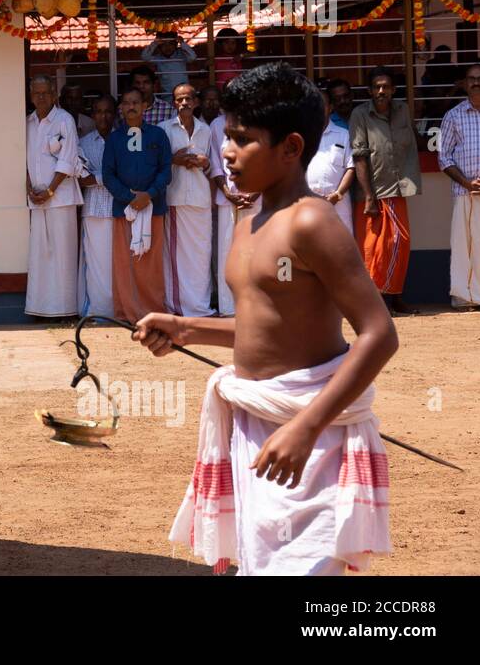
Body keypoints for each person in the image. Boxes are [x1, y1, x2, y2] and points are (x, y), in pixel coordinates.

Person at [134, 62, 396, 575]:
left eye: (242, 139)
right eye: (226, 136)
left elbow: (379, 333)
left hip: (310, 434)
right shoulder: (246, 221)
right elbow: (265, 331)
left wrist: (306, 426)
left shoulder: (312, 221)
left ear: (291, 148)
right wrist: (186, 328)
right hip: (252, 429)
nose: (227, 152)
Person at [351, 67, 421, 316]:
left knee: (399, 245)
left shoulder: (402, 110)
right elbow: (359, 156)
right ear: (370, 91)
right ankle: (377, 302)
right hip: (373, 193)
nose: (382, 91)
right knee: (374, 249)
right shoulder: (360, 114)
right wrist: (369, 196)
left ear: (393, 89)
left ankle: (395, 296)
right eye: (377, 87)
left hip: (398, 189)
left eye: (386, 87)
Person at [103, 89, 171, 322]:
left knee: (151, 263)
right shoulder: (114, 139)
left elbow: (166, 171)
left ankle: (154, 312)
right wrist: (129, 197)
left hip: (154, 207)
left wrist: (149, 195)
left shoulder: (158, 135)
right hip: (124, 209)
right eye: (126, 103)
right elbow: (107, 174)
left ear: (144, 107)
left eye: (135, 103)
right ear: (121, 108)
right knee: (125, 262)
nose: (130, 107)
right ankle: (126, 312)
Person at [25, 75, 82, 318]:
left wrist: (49, 191)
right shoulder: (27, 122)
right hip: (36, 198)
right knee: (40, 254)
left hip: (60, 198)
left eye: (45, 93)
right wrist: (30, 187)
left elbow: (68, 159)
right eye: (36, 93)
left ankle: (65, 309)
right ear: (31, 95)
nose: (40, 98)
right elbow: (24, 159)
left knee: (63, 254)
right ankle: (39, 308)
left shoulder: (64, 120)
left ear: (54, 94)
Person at [161, 83, 213, 317]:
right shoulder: (165, 129)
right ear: (174, 103)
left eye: (188, 99)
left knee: (201, 256)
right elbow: (158, 164)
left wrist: (205, 162)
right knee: (176, 257)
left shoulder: (206, 130)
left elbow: (214, 166)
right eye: (179, 99)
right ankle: (178, 306)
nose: (184, 103)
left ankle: (200, 307)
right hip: (176, 198)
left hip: (201, 199)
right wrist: (175, 160)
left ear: (196, 102)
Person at [437, 63, 480, 309]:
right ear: (465, 84)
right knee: (465, 247)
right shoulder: (453, 116)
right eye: (471, 79)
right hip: (465, 193)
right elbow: (444, 157)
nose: (476, 82)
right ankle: (466, 297)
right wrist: (468, 183)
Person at [209, 99, 261, 316]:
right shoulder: (216, 125)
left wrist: (256, 191)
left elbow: (264, 159)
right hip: (227, 198)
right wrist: (228, 193)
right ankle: (228, 307)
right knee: (227, 253)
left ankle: (255, 305)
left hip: (255, 198)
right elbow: (214, 164)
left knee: (255, 251)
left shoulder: (259, 121)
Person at [77, 94, 116, 316]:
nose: (104, 116)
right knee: (96, 266)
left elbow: (128, 175)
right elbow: (81, 179)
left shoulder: (123, 139)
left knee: (116, 266)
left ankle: (116, 310)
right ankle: (97, 312)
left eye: (108, 111)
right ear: (93, 115)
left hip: (120, 211)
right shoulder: (84, 142)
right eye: (99, 111)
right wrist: (109, 178)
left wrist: (98, 178)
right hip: (93, 211)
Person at [307, 87, 356, 236]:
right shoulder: (302, 137)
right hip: (309, 203)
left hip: (338, 204)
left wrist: (338, 193)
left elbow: (351, 167)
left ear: (330, 108)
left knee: (340, 250)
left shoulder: (343, 135)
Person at [141, 31, 197, 102]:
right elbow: (145, 57)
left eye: (171, 44)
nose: (167, 47)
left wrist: (182, 43)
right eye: (164, 44)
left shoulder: (181, 55)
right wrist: (154, 43)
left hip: (184, 94)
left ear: (176, 44)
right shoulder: (158, 58)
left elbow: (192, 57)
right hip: (167, 96)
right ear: (159, 46)